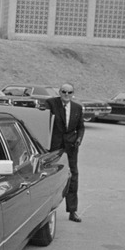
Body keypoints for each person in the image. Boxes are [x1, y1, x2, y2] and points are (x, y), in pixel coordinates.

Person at [38, 83, 85, 222]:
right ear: (59, 92)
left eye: (69, 92)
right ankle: (45, 211)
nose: (66, 95)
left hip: (71, 147)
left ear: (73, 94)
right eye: (64, 91)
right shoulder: (51, 103)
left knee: (73, 177)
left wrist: (79, 139)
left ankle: (72, 211)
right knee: (48, 176)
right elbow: (43, 118)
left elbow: (81, 127)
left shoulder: (77, 108)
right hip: (53, 148)